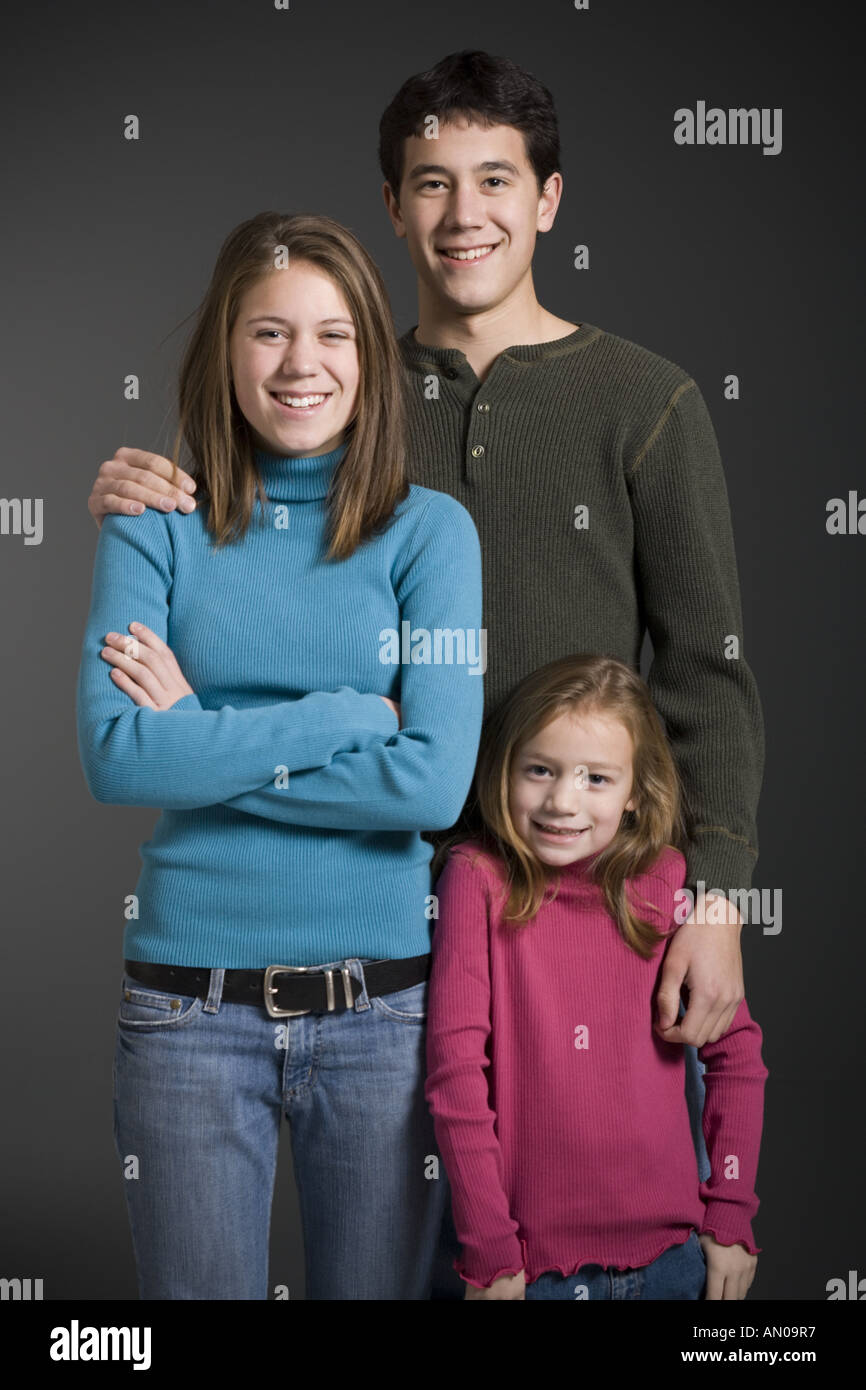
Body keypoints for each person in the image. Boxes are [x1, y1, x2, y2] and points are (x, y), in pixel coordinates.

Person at [84, 50, 764, 1293]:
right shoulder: (337, 383)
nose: (465, 216)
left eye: (495, 181)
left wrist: (713, 902)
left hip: (565, 901)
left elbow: (707, 678)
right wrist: (142, 484)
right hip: (399, 915)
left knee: (561, 1247)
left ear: (548, 200)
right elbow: (231, 518)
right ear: (391, 207)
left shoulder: (646, 403)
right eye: (431, 184)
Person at [75, 210, 484, 1300]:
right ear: (224, 349)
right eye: (267, 333)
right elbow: (119, 757)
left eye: (333, 334)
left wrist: (200, 732)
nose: (301, 365)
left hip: (384, 1016)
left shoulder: (430, 533)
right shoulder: (152, 519)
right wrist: (344, 714)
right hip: (185, 1016)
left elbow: (433, 782)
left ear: (369, 357)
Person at [425, 654, 768, 1301]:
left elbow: (737, 1057)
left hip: (673, 1262)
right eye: (540, 771)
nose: (562, 801)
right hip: (527, 1272)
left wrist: (730, 1213)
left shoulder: (668, 884)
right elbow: (455, 1074)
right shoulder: (477, 880)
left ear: (636, 790)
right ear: (506, 768)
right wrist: (490, 1249)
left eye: (596, 779)